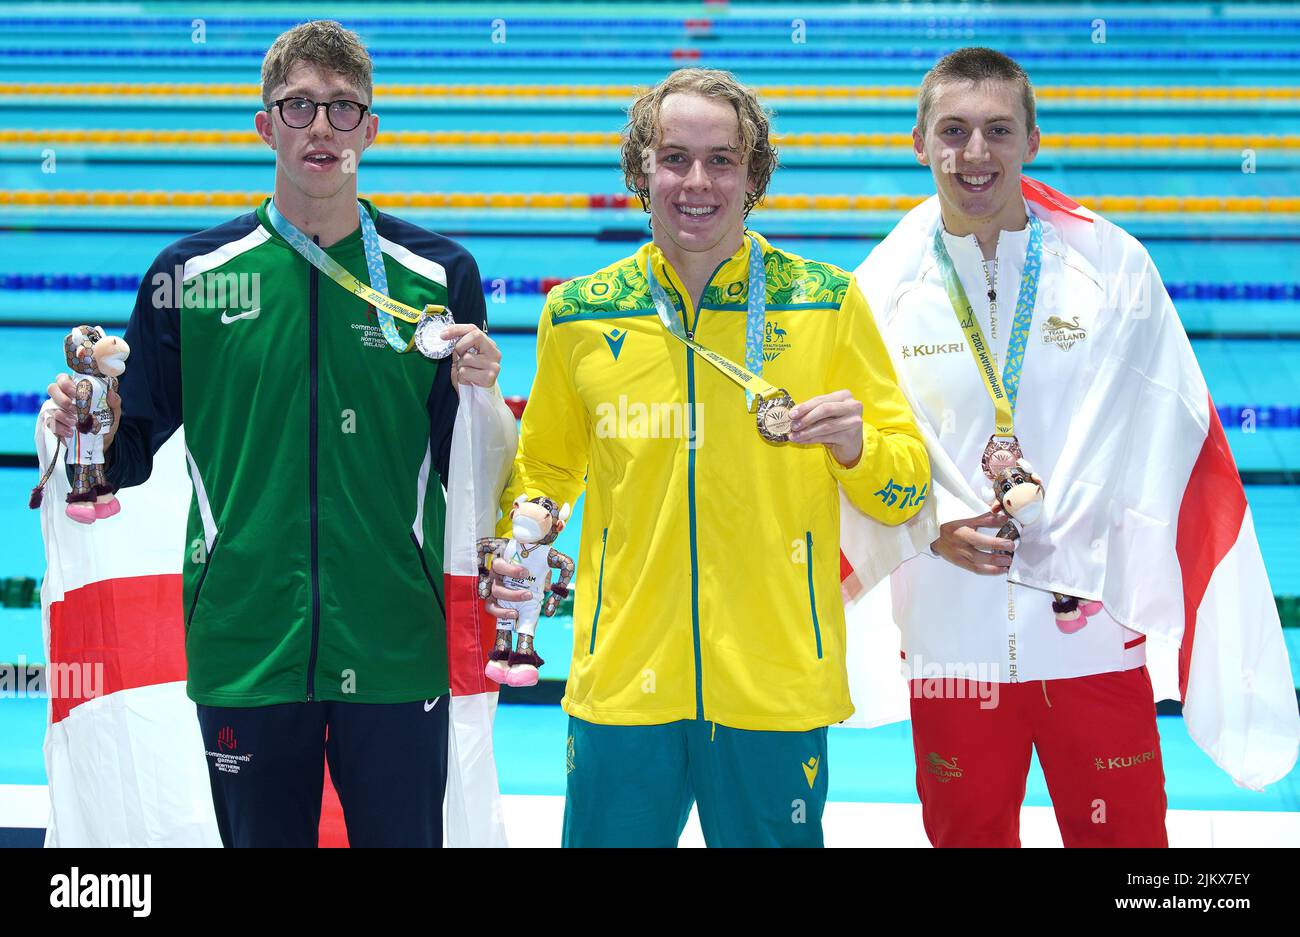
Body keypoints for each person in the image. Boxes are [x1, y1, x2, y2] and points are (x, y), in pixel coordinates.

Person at [44, 20, 503, 848]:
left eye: (341, 107)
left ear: (372, 127)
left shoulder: (441, 276)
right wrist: (81, 428)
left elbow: (470, 470)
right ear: (263, 124)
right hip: (247, 642)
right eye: (297, 106)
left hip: (395, 642)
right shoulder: (188, 277)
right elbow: (129, 447)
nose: (320, 127)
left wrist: (492, 397)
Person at [855, 46, 1296, 847]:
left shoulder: (1110, 267)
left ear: (1032, 138)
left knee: (1127, 850)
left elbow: (1167, 425)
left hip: (1092, 631)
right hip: (953, 645)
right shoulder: (877, 293)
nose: (975, 153)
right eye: (953, 131)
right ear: (918, 142)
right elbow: (862, 456)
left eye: (997, 129)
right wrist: (929, 526)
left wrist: (1077, 535)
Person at [483, 67, 930, 847]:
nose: (697, 181)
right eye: (674, 157)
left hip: (775, 686)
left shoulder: (826, 302)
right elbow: (547, 472)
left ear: (754, 176)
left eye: (722, 159)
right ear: (640, 169)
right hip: (623, 683)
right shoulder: (579, 313)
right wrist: (525, 533)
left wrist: (858, 449)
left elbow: (906, 487)